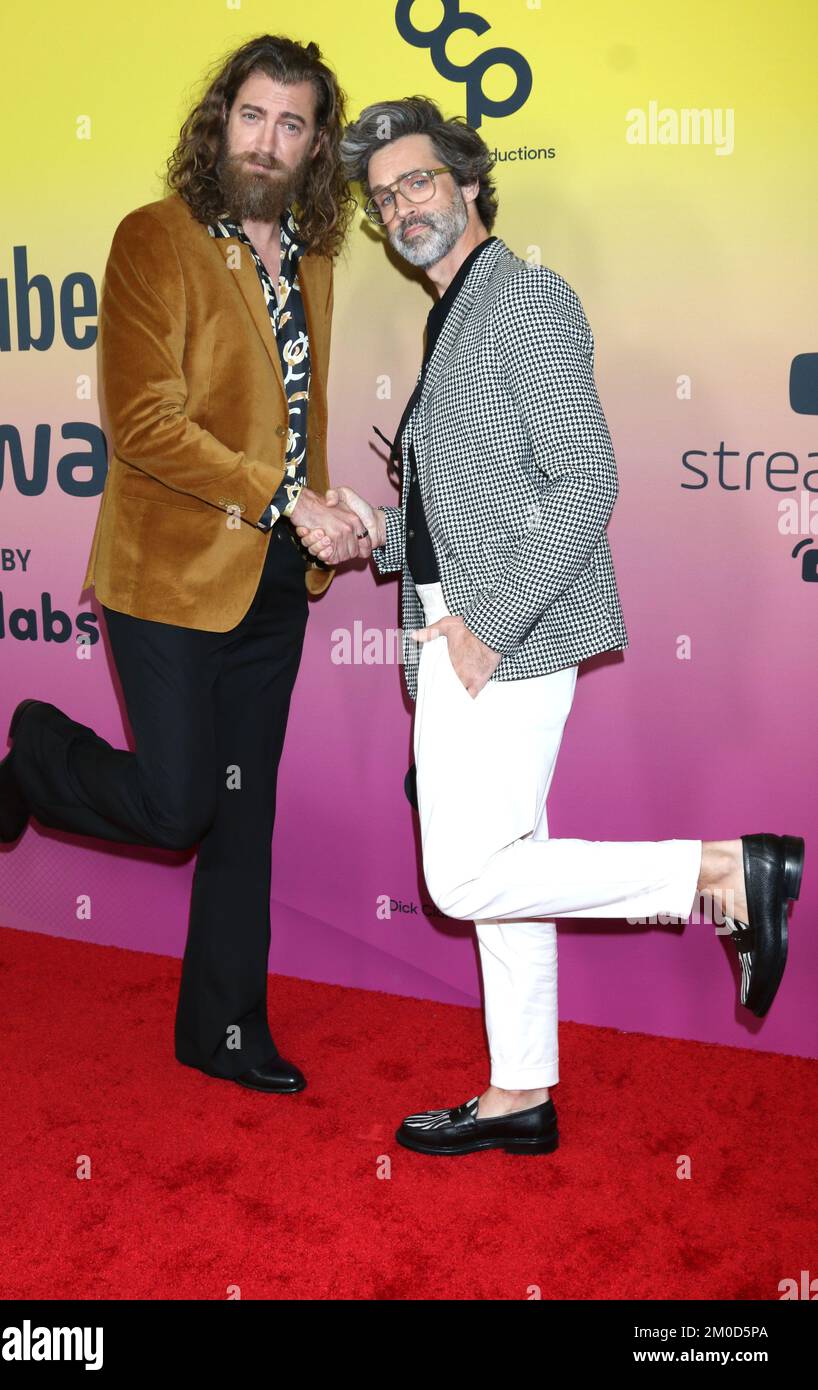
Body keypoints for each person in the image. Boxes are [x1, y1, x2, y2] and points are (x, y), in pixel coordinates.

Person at [294, 97, 806, 1156]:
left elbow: (586, 482)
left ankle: (723, 879)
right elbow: (474, 507)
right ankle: (519, 1091)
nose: (401, 206)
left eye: (418, 181)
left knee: (459, 876)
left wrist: (484, 625)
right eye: (384, 195)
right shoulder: (455, 313)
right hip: (454, 621)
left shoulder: (521, 299)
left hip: (498, 636)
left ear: (470, 182)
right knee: (503, 863)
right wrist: (375, 535)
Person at [0, 35, 373, 1096]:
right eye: (253, 115)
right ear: (220, 120)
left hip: (272, 586)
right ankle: (39, 755)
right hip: (168, 577)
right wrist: (288, 496)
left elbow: (294, 417)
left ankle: (224, 1028)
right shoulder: (153, 239)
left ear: (312, 143)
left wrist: (322, 507)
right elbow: (145, 421)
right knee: (177, 805)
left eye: (293, 124)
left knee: (243, 812)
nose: (269, 140)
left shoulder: (314, 258)